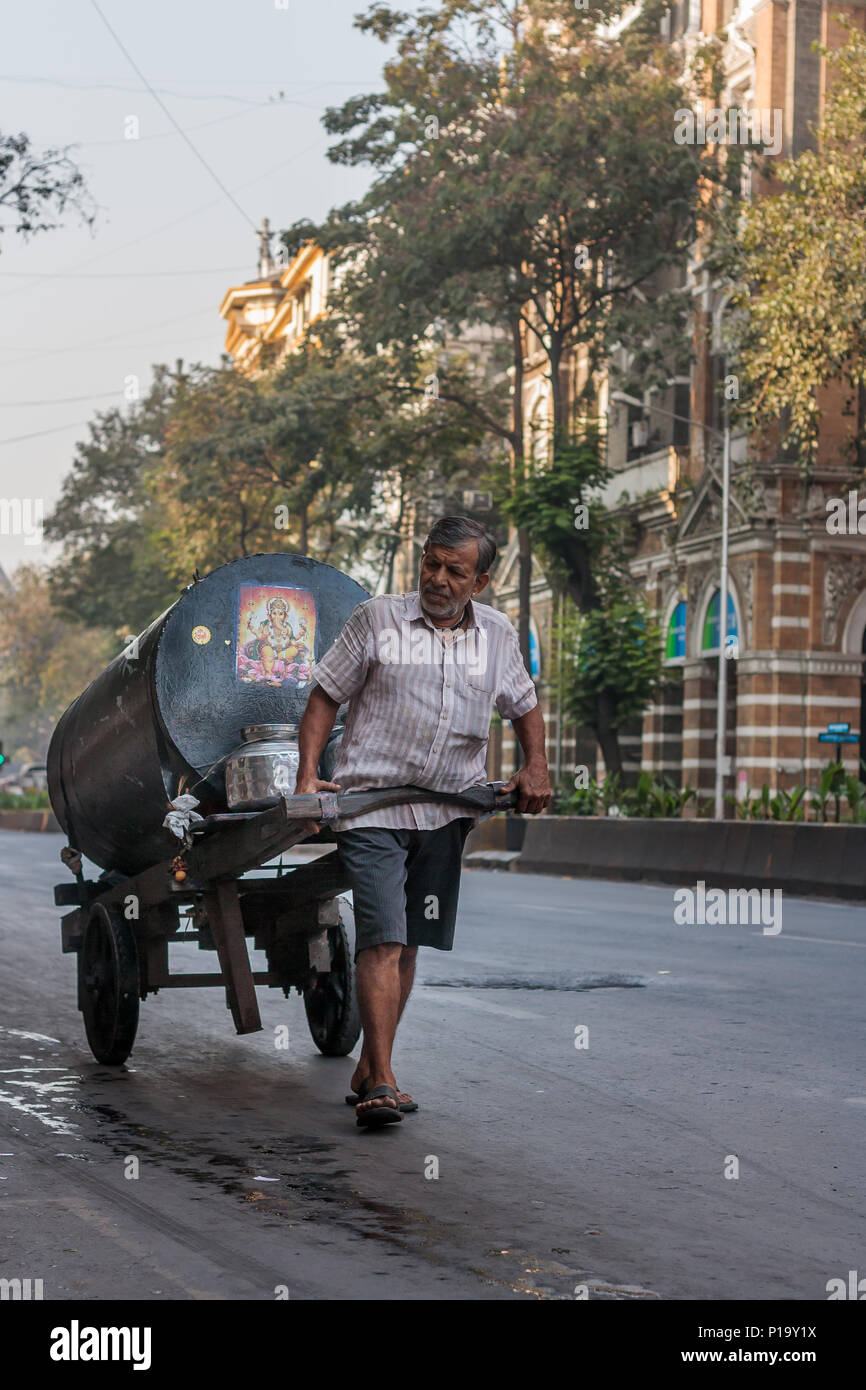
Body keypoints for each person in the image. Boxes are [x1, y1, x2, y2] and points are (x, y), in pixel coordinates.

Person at [294, 516, 551, 1128]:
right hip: (372, 807)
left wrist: (535, 765)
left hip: (446, 811)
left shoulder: (496, 635)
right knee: (382, 936)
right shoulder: (378, 620)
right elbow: (325, 695)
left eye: (454, 570)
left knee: (408, 941)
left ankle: (369, 1064)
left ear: (480, 581)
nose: (437, 579)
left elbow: (524, 703)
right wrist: (307, 776)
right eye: (430, 563)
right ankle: (381, 1079)